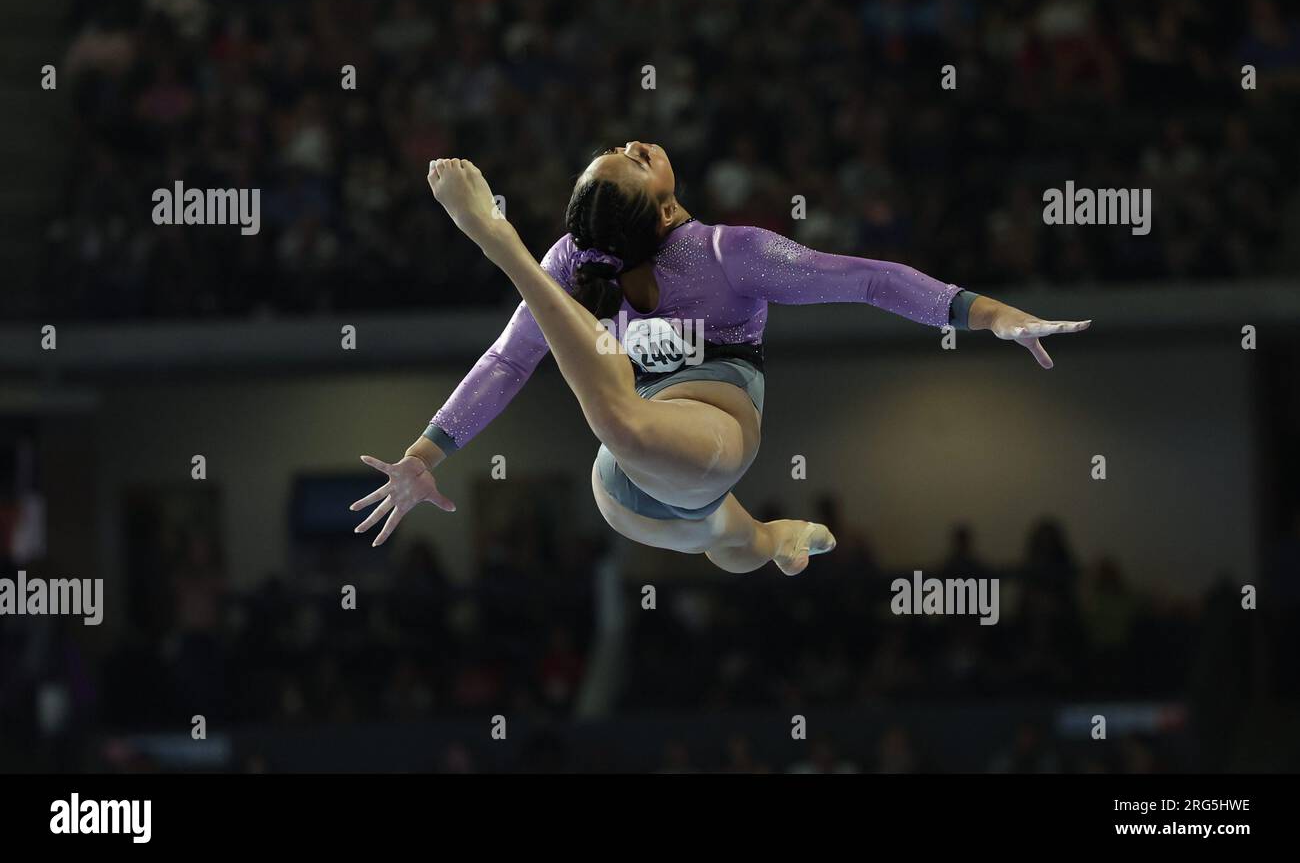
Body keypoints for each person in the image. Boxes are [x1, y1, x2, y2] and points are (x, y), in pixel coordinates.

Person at [352, 144, 1089, 575]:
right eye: (631, 162)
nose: (637, 143)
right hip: (628, 486)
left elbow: (868, 279)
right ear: (665, 208)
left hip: (692, 442)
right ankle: (773, 538)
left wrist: (987, 314)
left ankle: (496, 244)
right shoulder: (669, 253)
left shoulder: (703, 257)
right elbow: (507, 361)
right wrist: (425, 452)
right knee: (734, 545)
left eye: (627, 149)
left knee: (630, 417)